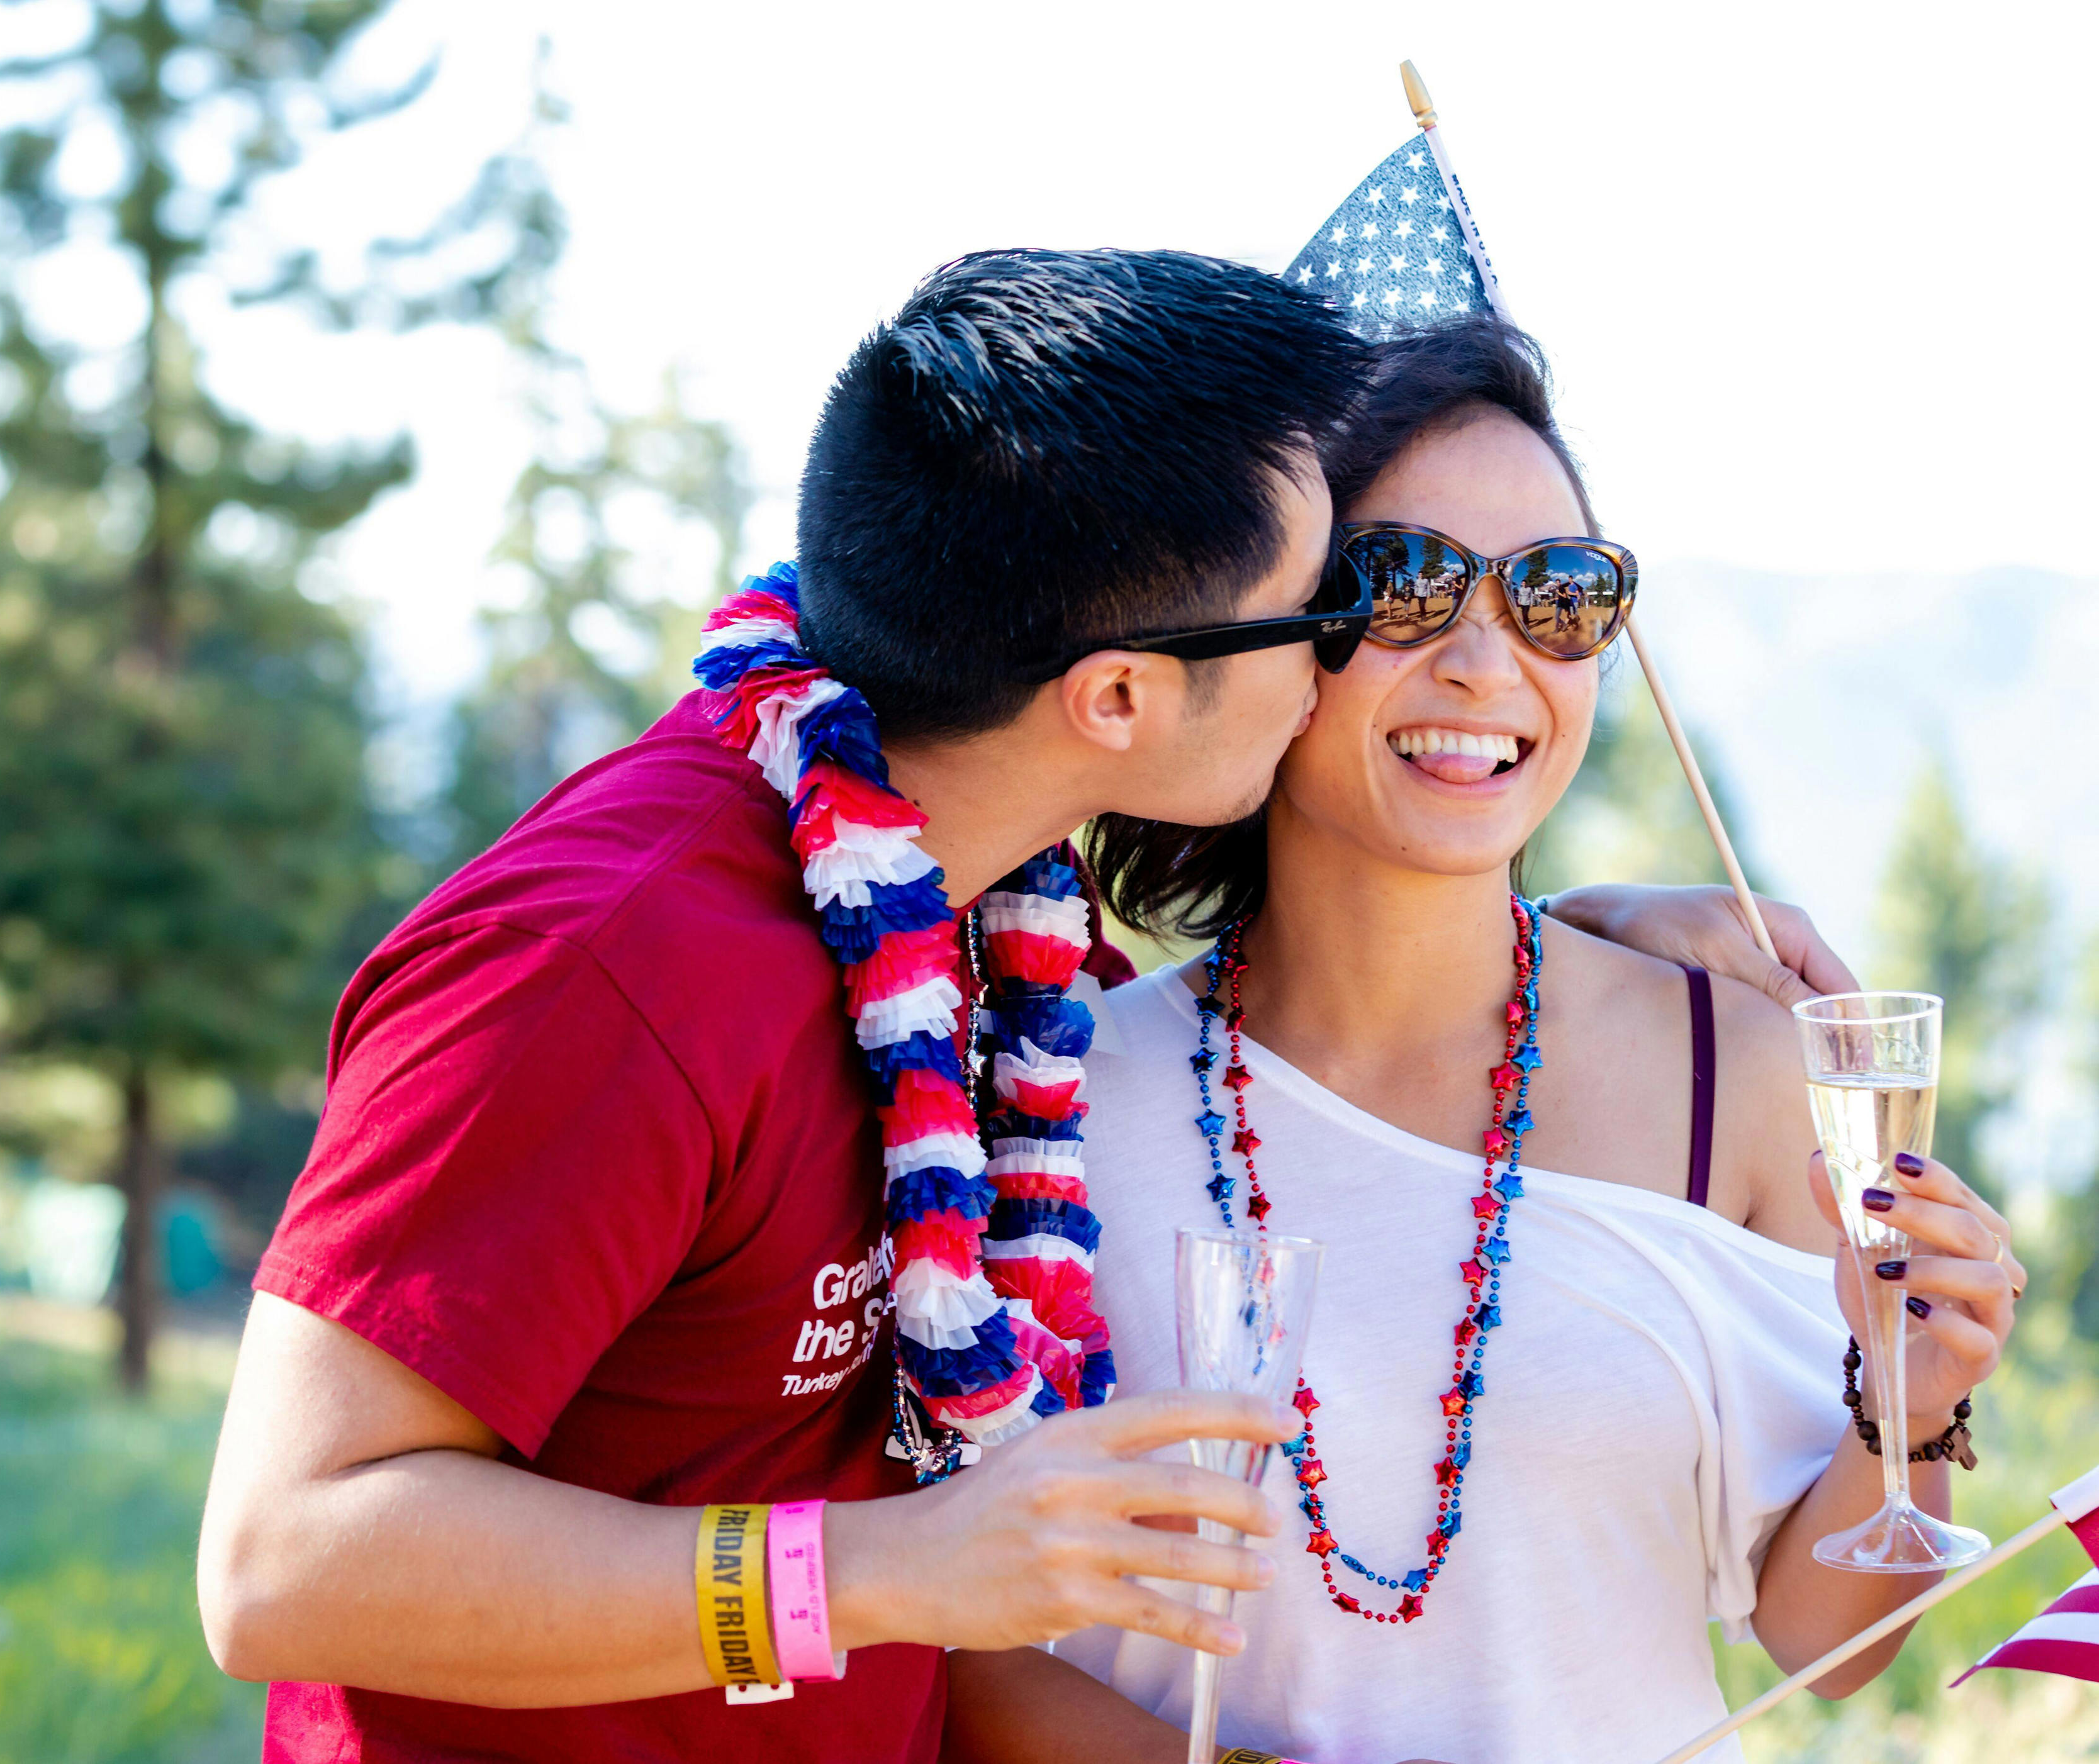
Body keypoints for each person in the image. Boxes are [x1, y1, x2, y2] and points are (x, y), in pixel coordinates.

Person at [196, 250, 1852, 1764]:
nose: (1386, 664)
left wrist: (1561, 934)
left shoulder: (999, 944)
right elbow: (279, 1560)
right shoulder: (607, 962)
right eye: (1337, 606)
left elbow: (1352, 1030)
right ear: (1118, 697)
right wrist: (880, 1568)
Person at [1056, 316, 2027, 1764]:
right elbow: (958, 1643)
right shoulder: (1059, 1095)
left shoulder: (1736, 1070)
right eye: (1403, 582)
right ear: (1269, 631)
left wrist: (1915, 1403)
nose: (1485, 659)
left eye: (1559, 596)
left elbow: (1831, 1648)